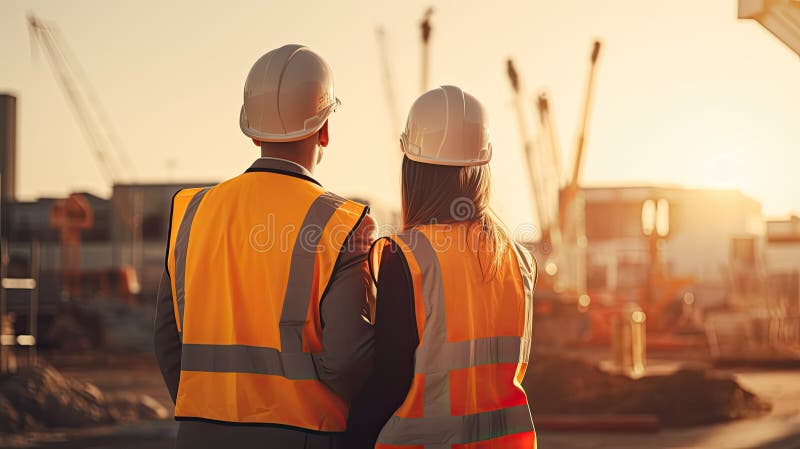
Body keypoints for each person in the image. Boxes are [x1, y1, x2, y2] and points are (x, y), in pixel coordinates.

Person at [154, 44, 376, 449]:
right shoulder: (343, 224)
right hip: (306, 434)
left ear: (253, 132)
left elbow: (168, 341)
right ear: (324, 129)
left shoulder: (191, 211)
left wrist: (207, 415)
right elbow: (346, 363)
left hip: (198, 434)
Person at [346, 85, 538, 449]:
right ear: (482, 167)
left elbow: (390, 381)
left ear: (412, 168)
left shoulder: (405, 256)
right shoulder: (517, 258)